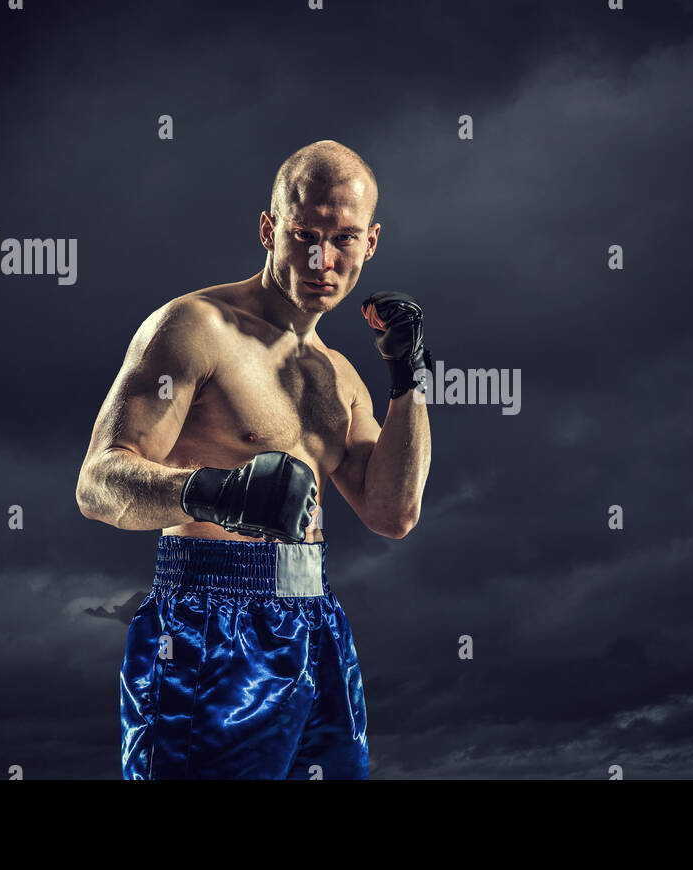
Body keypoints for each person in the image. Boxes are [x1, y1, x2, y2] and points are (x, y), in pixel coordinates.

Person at [75, 139, 432, 779]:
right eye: (305, 234)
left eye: (345, 238)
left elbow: (392, 512)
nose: (325, 258)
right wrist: (216, 493)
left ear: (371, 243)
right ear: (270, 229)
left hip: (315, 618)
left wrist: (409, 380)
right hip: (209, 619)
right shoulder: (195, 327)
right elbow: (98, 483)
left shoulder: (341, 376)